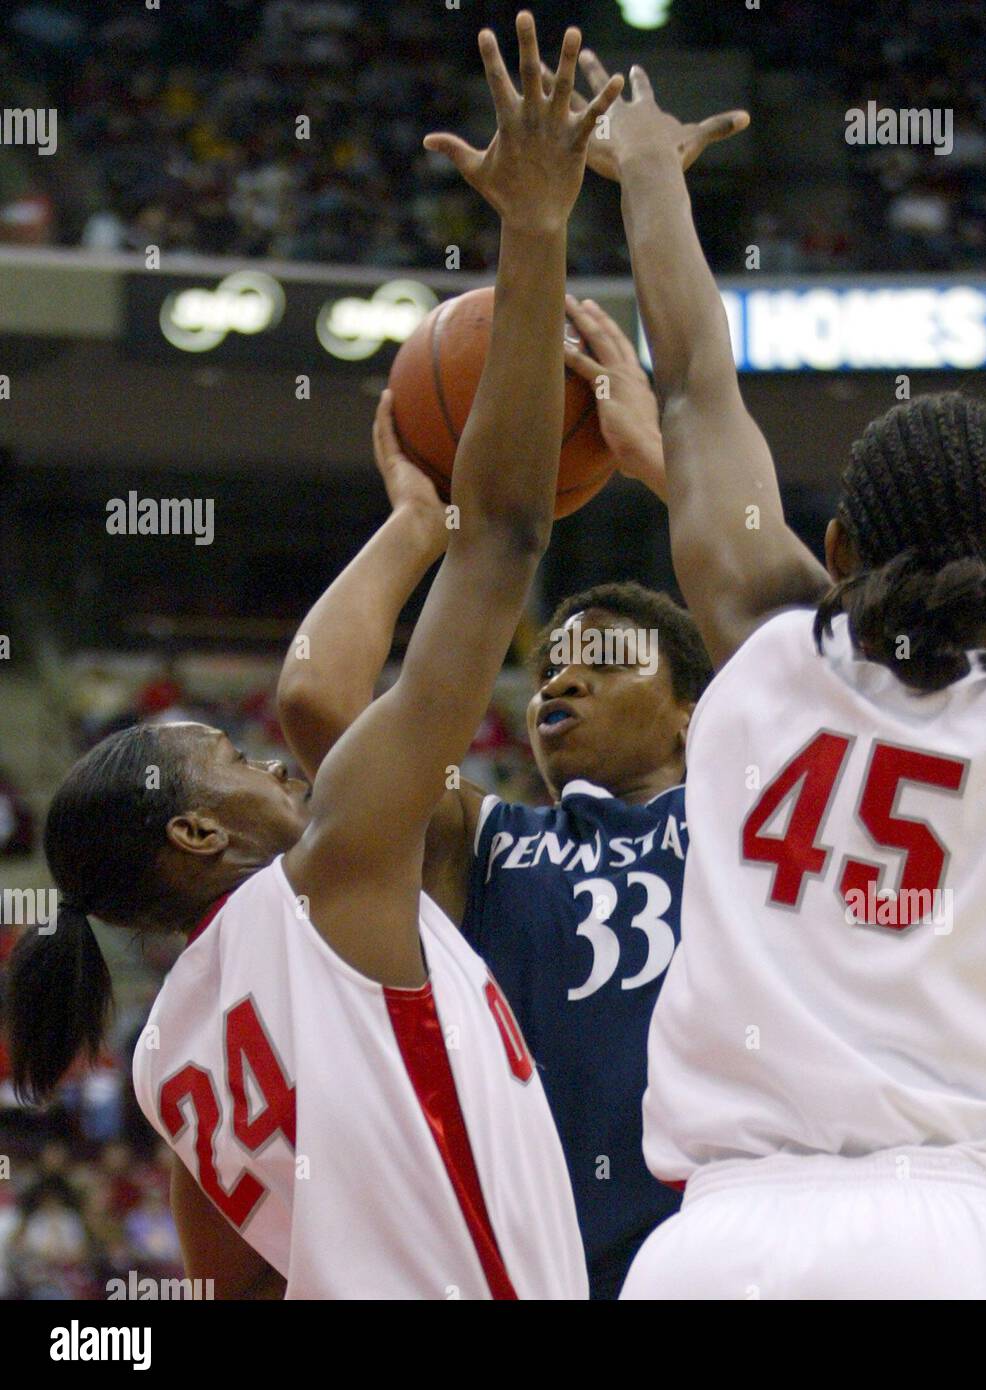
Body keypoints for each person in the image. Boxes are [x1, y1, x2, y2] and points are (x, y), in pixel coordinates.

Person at [563, 51, 986, 1299]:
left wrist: (647, 172)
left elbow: (696, 381)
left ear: (842, 547)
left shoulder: (753, 629)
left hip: (713, 1247)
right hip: (957, 1243)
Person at [3, 13, 621, 1300]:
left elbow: (246, 1298)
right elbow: (504, 535)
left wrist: (408, 522)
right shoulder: (335, 876)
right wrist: (535, 233)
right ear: (192, 837)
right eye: (228, 760)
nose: (276, 767)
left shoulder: (175, 1057)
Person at [277, 301, 716, 1299]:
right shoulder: (489, 841)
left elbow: (829, 657)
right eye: (550, 667)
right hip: (534, 1275)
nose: (558, 681)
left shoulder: (750, 806)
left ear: (695, 713)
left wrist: (659, 463)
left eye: (602, 657)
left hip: (729, 1260)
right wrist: (413, 530)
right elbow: (317, 701)